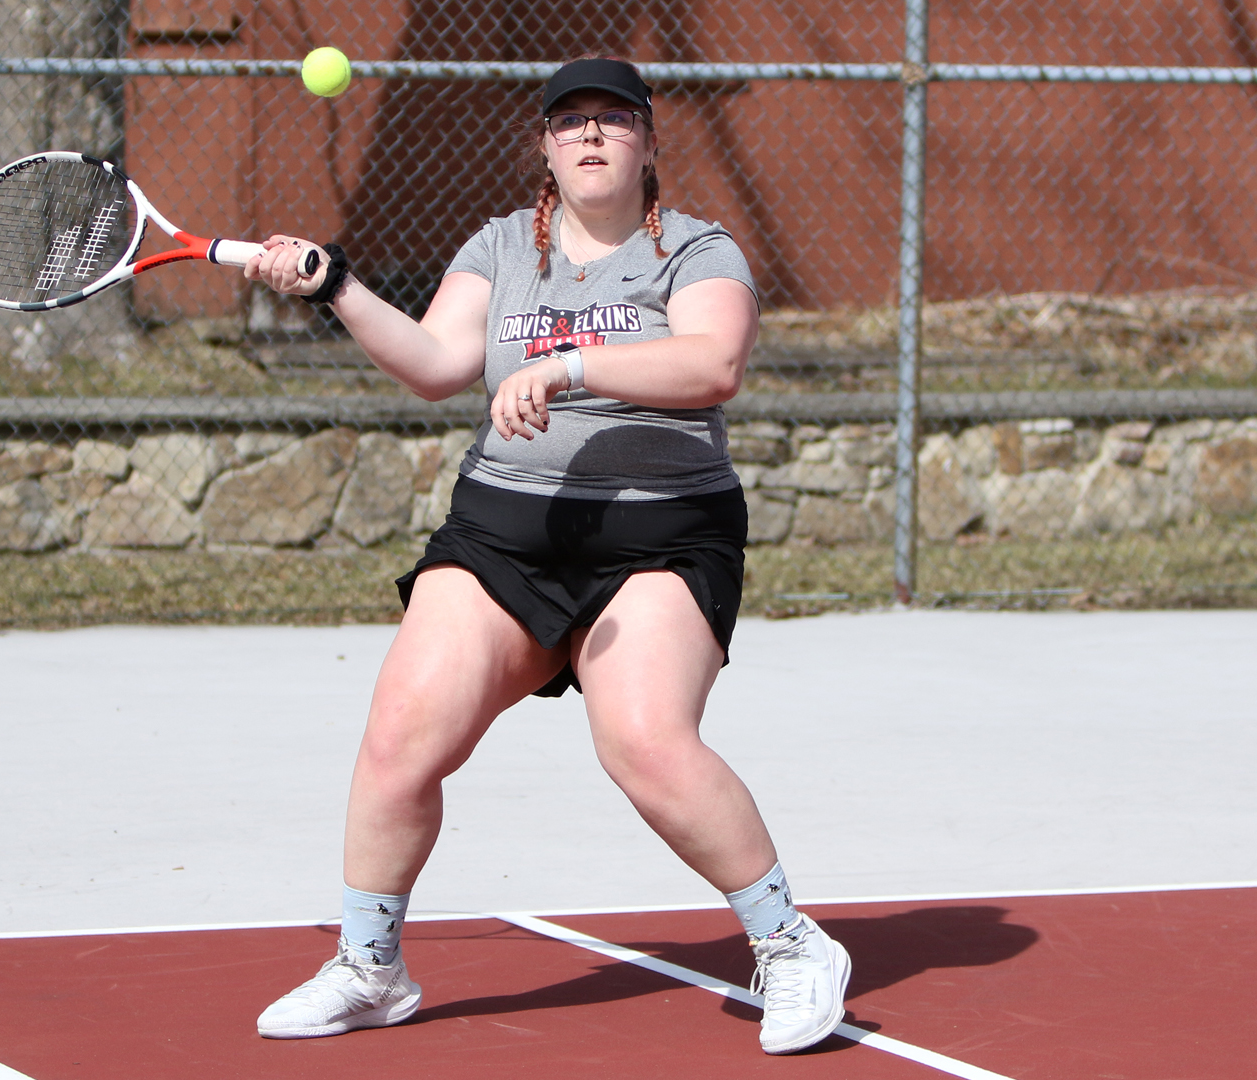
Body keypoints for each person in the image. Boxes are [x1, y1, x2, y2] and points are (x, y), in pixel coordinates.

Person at [241, 56, 850, 1055]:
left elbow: (713, 364)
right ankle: (370, 965)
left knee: (643, 741)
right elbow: (440, 363)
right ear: (545, 147)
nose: (592, 136)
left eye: (615, 120)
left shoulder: (699, 251)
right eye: (571, 123)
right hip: (505, 534)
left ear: (650, 142)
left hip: (660, 535)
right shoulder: (499, 248)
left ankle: (789, 945)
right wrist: (335, 284)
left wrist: (567, 366)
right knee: (400, 740)